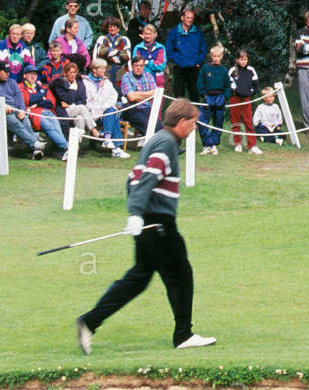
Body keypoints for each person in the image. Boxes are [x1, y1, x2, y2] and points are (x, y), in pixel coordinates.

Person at [75, 97, 216, 354]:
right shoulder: (166, 142)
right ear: (182, 122)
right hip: (158, 223)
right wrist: (137, 213)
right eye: (193, 123)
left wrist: (137, 213)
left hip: (149, 222)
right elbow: (146, 178)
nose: (195, 127)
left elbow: (133, 179)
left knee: (139, 278)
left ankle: (89, 321)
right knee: (181, 276)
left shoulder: (160, 139)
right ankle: (183, 334)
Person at [0, 61, 45, 159]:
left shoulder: (12, 82)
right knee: (15, 123)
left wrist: (22, 110)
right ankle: (36, 144)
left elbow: (19, 97)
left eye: (8, 71)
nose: (8, 74)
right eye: (5, 72)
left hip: (15, 109)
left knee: (26, 122)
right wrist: (2, 105)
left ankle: (35, 149)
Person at [19, 63, 69, 160]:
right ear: (25, 75)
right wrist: (42, 97)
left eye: (35, 74)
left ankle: (63, 150)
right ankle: (68, 147)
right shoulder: (20, 87)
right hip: (34, 114)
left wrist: (37, 103)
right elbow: (27, 100)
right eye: (30, 73)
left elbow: (51, 103)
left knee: (57, 128)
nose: (33, 76)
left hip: (47, 111)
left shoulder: (43, 87)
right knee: (50, 127)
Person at [84, 58, 131, 158]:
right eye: (101, 69)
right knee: (113, 116)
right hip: (91, 116)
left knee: (111, 111)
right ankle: (116, 148)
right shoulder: (85, 82)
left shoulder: (106, 82)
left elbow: (113, 96)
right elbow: (86, 102)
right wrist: (100, 109)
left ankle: (108, 139)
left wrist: (103, 108)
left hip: (105, 113)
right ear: (94, 69)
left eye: (104, 68)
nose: (104, 71)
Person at [50, 60, 98, 138]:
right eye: (70, 72)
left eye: (74, 72)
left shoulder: (79, 82)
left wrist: (72, 105)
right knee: (82, 108)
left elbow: (83, 99)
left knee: (80, 118)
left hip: (73, 108)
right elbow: (67, 99)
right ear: (65, 73)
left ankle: (75, 146)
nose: (72, 75)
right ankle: (93, 130)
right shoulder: (59, 83)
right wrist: (73, 89)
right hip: (62, 111)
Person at [165, 8, 206, 102]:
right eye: (188, 17)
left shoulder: (198, 32)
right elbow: (168, 50)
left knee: (194, 94)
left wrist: (199, 61)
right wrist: (177, 60)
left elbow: (203, 50)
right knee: (179, 96)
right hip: (179, 68)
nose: (190, 20)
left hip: (193, 68)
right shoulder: (174, 32)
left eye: (192, 18)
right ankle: (180, 116)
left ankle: (195, 116)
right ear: (182, 18)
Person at [197, 45, 229, 156]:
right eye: (214, 56)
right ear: (211, 56)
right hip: (208, 97)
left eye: (218, 56)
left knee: (218, 122)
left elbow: (227, 86)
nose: (216, 58)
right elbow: (200, 83)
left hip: (220, 97)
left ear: (221, 57)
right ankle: (209, 144)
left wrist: (225, 97)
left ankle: (213, 144)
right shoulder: (206, 68)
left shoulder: (224, 70)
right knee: (201, 120)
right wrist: (204, 94)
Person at [228, 49, 260, 154]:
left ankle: (252, 145)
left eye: (245, 59)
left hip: (247, 99)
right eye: (241, 59)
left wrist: (250, 93)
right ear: (237, 60)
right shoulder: (233, 70)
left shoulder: (251, 70)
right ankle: (238, 143)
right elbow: (229, 84)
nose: (243, 62)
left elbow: (255, 85)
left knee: (248, 121)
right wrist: (236, 91)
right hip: (235, 98)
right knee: (235, 121)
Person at [120, 56, 158, 142]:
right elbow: (131, 97)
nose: (139, 68)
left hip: (147, 108)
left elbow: (156, 93)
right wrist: (147, 95)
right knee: (148, 125)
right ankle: (157, 147)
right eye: (136, 65)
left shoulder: (148, 76)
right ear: (132, 66)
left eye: (141, 65)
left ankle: (173, 149)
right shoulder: (126, 77)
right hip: (131, 109)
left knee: (160, 127)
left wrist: (137, 94)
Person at [93, 17, 131, 85]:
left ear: (118, 28)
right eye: (110, 26)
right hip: (105, 71)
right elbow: (100, 53)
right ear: (107, 28)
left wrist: (108, 55)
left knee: (120, 92)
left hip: (121, 71)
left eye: (114, 26)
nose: (112, 28)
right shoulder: (102, 39)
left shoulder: (124, 40)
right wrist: (118, 52)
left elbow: (126, 57)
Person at [133, 23, 168, 88]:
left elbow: (160, 66)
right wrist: (153, 64)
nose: (148, 36)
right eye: (146, 34)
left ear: (155, 35)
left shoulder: (160, 48)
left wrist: (146, 62)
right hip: (141, 81)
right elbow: (137, 66)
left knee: (157, 98)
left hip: (158, 82)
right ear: (143, 34)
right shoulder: (138, 48)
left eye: (150, 34)